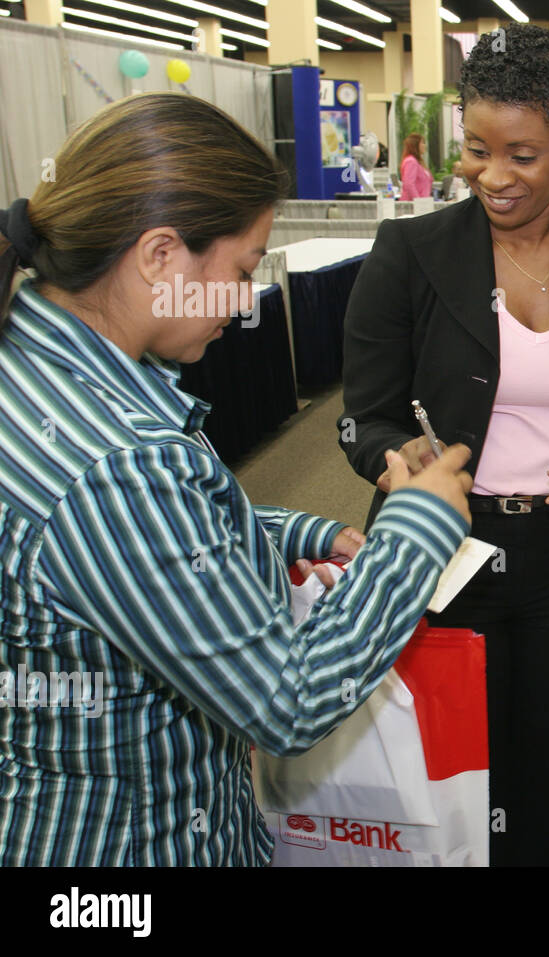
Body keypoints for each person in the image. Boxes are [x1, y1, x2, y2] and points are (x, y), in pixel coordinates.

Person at [0, 93, 474, 866]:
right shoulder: (117, 461)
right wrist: (415, 530)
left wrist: (302, 530)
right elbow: (285, 701)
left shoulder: (41, 360)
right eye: (244, 268)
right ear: (160, 256)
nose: (248, 300)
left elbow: (147, 552)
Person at [337, 23, 549, 866]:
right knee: (446, 782)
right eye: (476, 150)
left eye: (522, 155)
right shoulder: (410, 254)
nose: (494, 177)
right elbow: (364, 417)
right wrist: (405, 465)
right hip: (443, 554)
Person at [399, 133, 433, 200]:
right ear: (415, 145)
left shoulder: (419, 162)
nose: (424, 146)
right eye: (422, 143)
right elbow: (409, 184)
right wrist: (418, 201)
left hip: (423, 201)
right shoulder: (411, 161)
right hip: (415, 204)